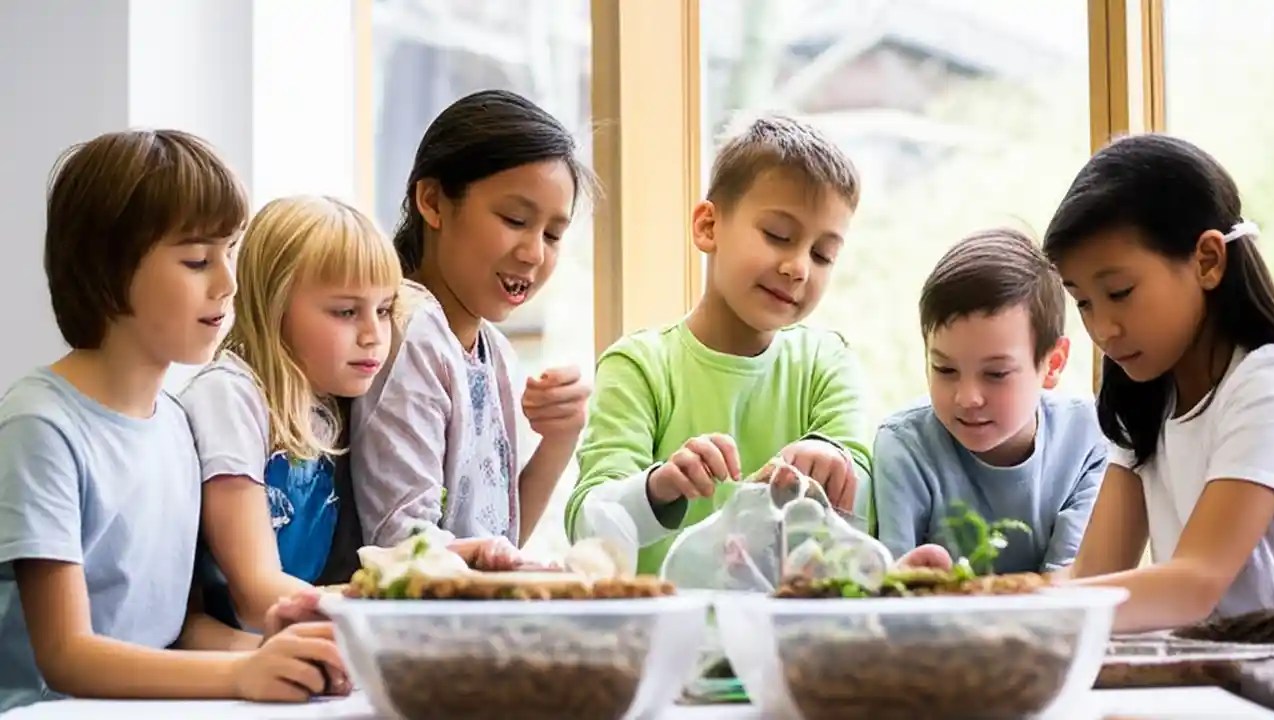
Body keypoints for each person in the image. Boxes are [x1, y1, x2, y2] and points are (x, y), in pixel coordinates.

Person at [0, 130, 343, 712]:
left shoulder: (177, 428)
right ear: (107, 268)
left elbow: (177, 629)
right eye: (197, 259)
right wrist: (242, 673)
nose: (228, 283)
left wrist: (287, 657)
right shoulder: (42, 427)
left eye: (230, 252)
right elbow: (67, 655)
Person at [566, 114, 872, 575]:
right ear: (708, 226)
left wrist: (837, 465)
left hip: (790, 637)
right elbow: (589, 526)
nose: (798, 268)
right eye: (778, 236)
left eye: (822, 254)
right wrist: (660, 485)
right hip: (662, 635)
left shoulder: (828, 364)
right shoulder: (639, 366)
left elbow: (869, 503)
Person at [1046, 133, 1274, 633]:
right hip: (1208, 673)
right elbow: (1094, 573)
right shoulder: (1146, 396)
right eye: (1083, 302)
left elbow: (1194, 584)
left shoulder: (1265, 385)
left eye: (1120, 292)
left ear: (1208, 261)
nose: (1103, 329)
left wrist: (1016, 607)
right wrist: (971, 597)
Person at [351, 89, 593, 549]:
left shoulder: (492, 349)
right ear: (433, 201)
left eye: (554, 234)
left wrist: (561, 438)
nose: (534, 253)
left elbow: (498, 536)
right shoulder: (410, 328)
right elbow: (405, 546)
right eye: (514, 219)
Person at [180, 195, 403, 631]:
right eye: (346, 311)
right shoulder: (229, 398)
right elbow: (254, 592)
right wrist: (392, 607)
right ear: (275, 305)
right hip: (222, 654)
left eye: (384, 310)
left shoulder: (329, 405)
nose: (374, 335)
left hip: (291, 641)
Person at [863, 228, 1105, 573]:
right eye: (945, 369)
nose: (967, 398)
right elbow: (897, 583)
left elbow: (1070, 580)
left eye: (995, 374)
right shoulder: (903, 445)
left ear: (1052, 364)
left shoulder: (1087, 438)